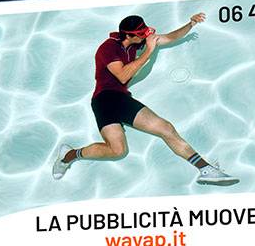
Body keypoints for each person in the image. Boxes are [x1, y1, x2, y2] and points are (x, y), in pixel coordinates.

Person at [52, 12, 239, 186]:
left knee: (159, 131)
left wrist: (190, 24)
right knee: (119, 151)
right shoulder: (107, 49)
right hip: (106, 99)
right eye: (141, 34)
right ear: (128, 36)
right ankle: (69, 156)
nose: (145, 36)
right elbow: (123, 76)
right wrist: (148, 52)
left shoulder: (136, 42)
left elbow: (169, 37)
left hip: (117, 98)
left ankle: (205, 169)